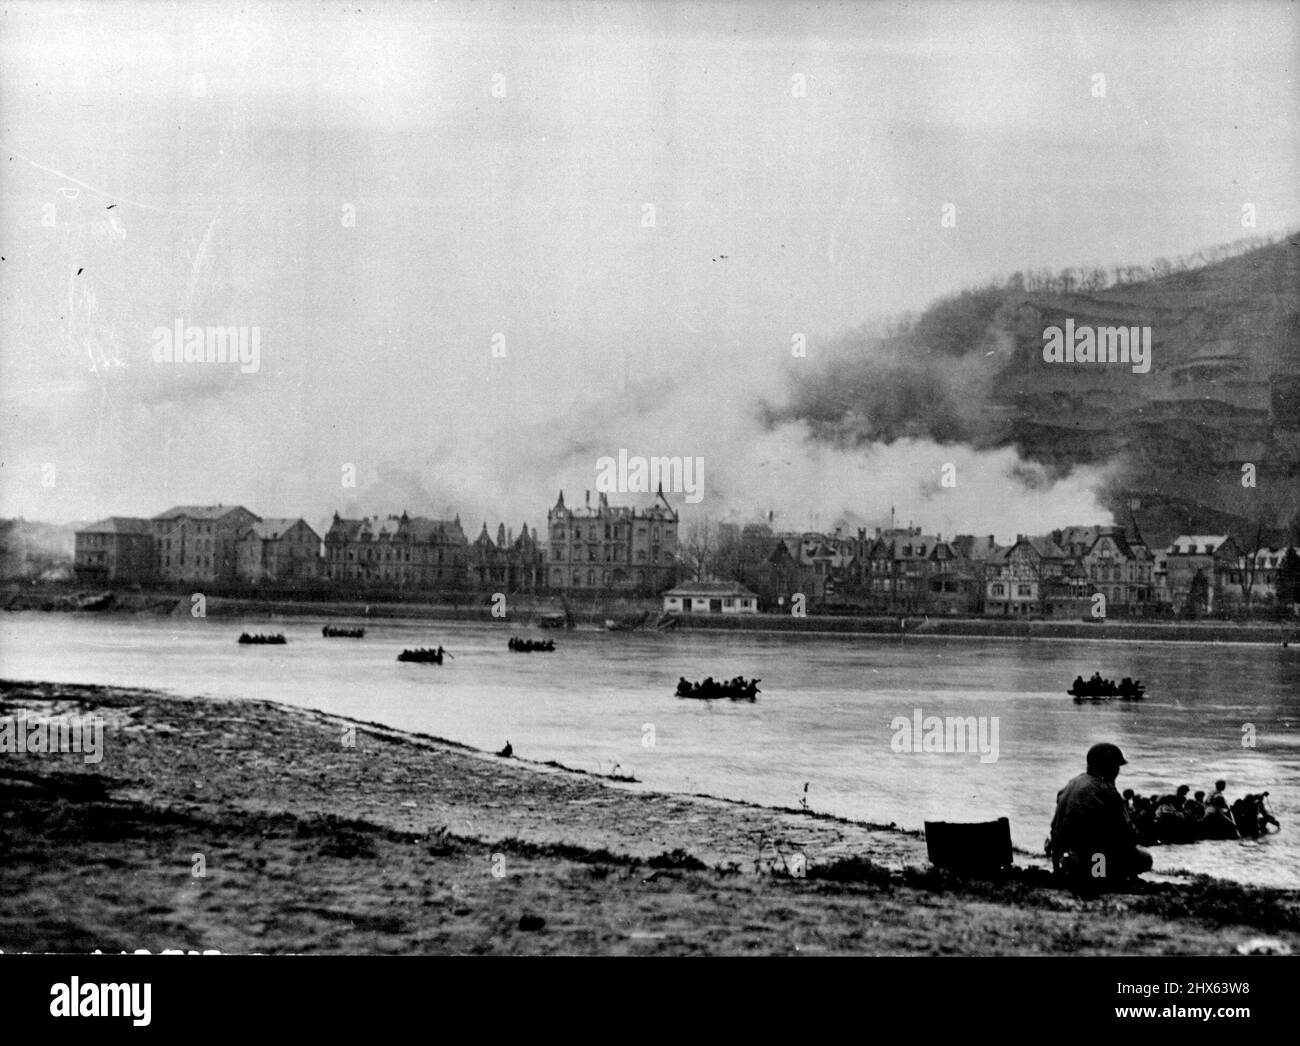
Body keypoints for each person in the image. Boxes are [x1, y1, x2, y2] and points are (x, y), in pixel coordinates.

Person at [1049, 742, 1153, 888]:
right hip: (1091, 862)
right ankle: (1106, 878)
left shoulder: (1072, 783)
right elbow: (1128, 835)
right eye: (1116, 766)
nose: (1117, 771)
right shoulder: (1106, 789)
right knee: (1145, 859)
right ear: (1108, 767)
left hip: (1060, 858)